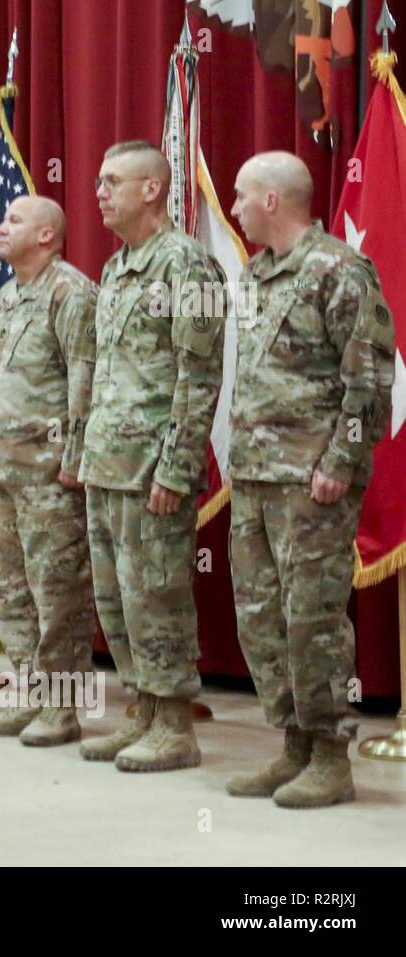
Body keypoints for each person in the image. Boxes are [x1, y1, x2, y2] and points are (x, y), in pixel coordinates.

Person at [226, 151, 395, 807]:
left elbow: (370, 381)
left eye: (242, 196)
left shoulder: (338, 270)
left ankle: (330, 754)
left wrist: (338, 463)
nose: (234, 207)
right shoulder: (261, 274)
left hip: (311, 481)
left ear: (272, 200)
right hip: (256, 474)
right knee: (262, 617)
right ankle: (292, 741)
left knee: (312, 618)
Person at [79, 140, 225, 771]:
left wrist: (177, 465)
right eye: (97, 181)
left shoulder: (187, 267)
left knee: (157, 594)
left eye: (113, 181)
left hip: (152, 468)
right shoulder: (116, 268)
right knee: (115, 598)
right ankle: (142, 709)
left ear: (152, 189)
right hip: (107, 461)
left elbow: (200, 376)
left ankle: (174, 726)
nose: (99, 192)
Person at [0, 195, 98, 744]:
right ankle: (26, 694)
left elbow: (85, 379)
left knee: (58, 594)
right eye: (4, 221)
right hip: (4, 470)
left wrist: (75, 456)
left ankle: (64, 706)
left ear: (47, 235)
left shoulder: (69, 292)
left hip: (50, 474)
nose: (1, 228)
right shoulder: (4, 296)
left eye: (15, 221)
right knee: (10, 590)